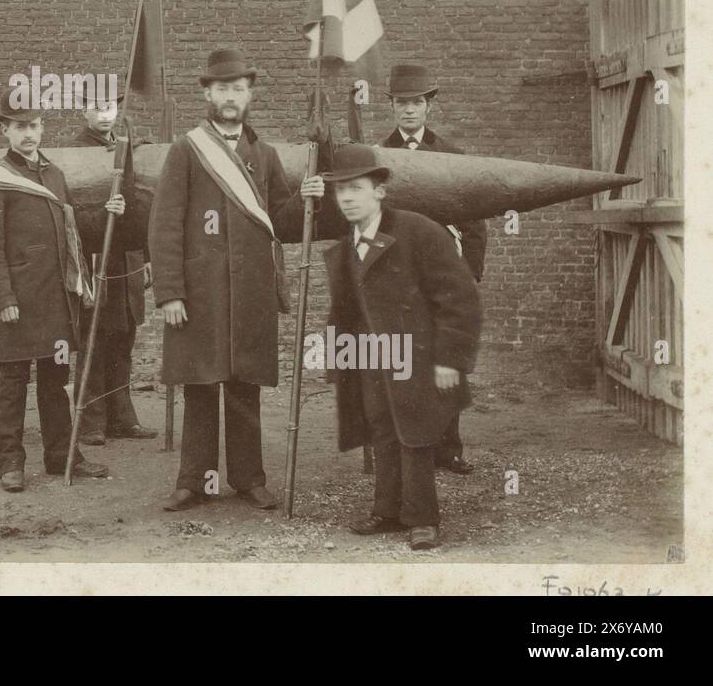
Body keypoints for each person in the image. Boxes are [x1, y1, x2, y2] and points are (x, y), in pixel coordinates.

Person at [149, 48, 335, 512]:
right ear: (207, 94)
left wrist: (308, 198)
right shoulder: (186, 149)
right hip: (201, 291)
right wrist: (170, 291)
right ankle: (194, 480)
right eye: (222, 89)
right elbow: (165, 224)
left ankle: (249, 478)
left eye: (238, 89)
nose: (230, 97)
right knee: (200, 384)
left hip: (251, 289)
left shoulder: (265, 154)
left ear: (249, 95)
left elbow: (278, 223)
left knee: (244, 384)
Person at [310, 143, 482, 550]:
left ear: (379, 191)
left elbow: (459, 298)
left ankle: (424, 519)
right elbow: (346, 310)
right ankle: (388, 510)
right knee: (380, 428)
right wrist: (342, 358)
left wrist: (449, 358)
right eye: (340, 191)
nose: (348, 198)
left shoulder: (419, 231)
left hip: (415, 352)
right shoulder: (349, 242)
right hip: (370, 354)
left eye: (356, 188)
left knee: (415, 432)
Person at [0, 91, 122, 491]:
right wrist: (2, 300)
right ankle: (10, 462)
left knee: (56, 382)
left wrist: (109, 212)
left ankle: (61, 455)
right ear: (5, 131)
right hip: (19, 302)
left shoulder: (54, 175)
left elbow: (71, 230)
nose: (29, 134)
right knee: (13, 384)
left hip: (56, 300)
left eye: (34, 126)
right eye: (20, 127)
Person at [381, 63, 487, 475]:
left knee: (447, 352)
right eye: (402, 102)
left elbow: (476, 218)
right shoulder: (378, 155)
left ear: (428, 107)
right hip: (400, 272)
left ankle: (449, 447)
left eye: (417, 102)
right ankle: (407, 445)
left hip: (444, 272)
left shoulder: (451, 155)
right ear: (392, 107)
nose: (409, 110)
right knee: (405, 356)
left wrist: (469, 273)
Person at [65, 93, 156, 445]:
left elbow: (144, 204)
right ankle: (90, 421)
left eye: (111, 107)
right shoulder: (75, 153)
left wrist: (147, 256)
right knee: (95, 339)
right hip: (95, 257)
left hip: (127, 259)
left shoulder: (127, 147)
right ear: (83, 110)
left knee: (123, 338)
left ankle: (123, 417)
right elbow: (71, 207)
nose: (105, 114)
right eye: (97, 107)